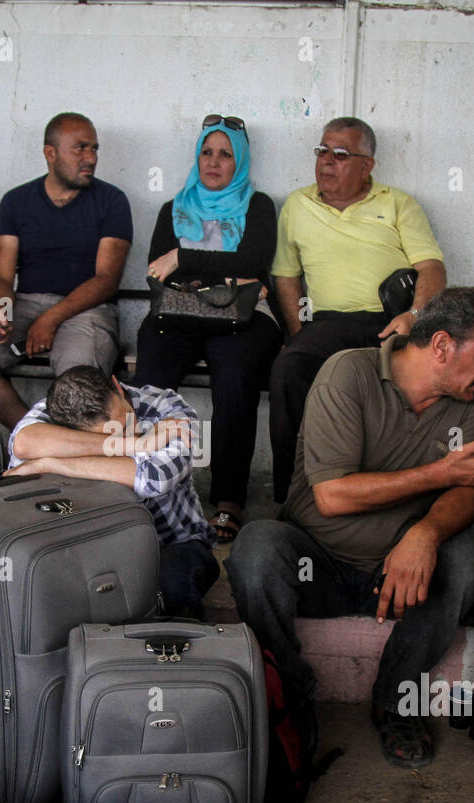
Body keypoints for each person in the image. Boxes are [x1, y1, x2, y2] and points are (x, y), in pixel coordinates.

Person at [228, 287, 474, 769]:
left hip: (400, 579)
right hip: (317, 565)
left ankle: (395, 700)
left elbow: (472, 491)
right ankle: (287, 693)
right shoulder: (350, 372)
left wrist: (426, 533)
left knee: (466, 556)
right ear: (439, 346)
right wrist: (437, 474)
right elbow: (333, 496)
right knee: (256, 548)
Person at [268, 116, 447, 501]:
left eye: (341, 154)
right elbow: (285, 276)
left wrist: (413, 316)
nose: (326, 162)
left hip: (390, 322)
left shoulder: (398, 204)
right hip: (327, 323)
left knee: (415, 378)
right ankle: (293, 494)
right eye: (321, 151)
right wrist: (299, 333)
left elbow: (431, 269)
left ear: (367, 166)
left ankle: (398, 493)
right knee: (288, 369)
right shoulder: (297, 206)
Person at [133, 115, 280, 543]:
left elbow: (252, 262)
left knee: (235, 375)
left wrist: (185, 258)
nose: (213, 162)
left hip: (246, 317)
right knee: (151, 380)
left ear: (242, 161)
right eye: (207, 152)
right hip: (180, 312)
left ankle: (228, 501)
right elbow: (159, 272)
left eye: (226, 154)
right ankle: (151, 487)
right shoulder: (172, 209)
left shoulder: (259, 206)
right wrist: (216, 271)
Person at [0, 113, 132, 430]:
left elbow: (106, 281)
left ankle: (67, 458)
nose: (90, 158)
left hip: (87, 309)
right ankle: (34, 435)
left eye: (94, 149)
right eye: (80, 148)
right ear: (50, 153)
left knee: (78, 384)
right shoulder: (16, 202)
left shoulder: (111, 201)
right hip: (26, 304)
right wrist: (0, 310)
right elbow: (1, 278)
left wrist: (51, 318)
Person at [7, 365, 218, 619]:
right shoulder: (62, 409)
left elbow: (154, 478)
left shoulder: (168, 406)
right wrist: (136, 444)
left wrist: (52, 463)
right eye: (111, 436)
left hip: (172, 543)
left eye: (127, 419)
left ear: (118, 387)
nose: (126, 432)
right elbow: (23, 444)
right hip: (97, 546)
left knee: (171, 584)